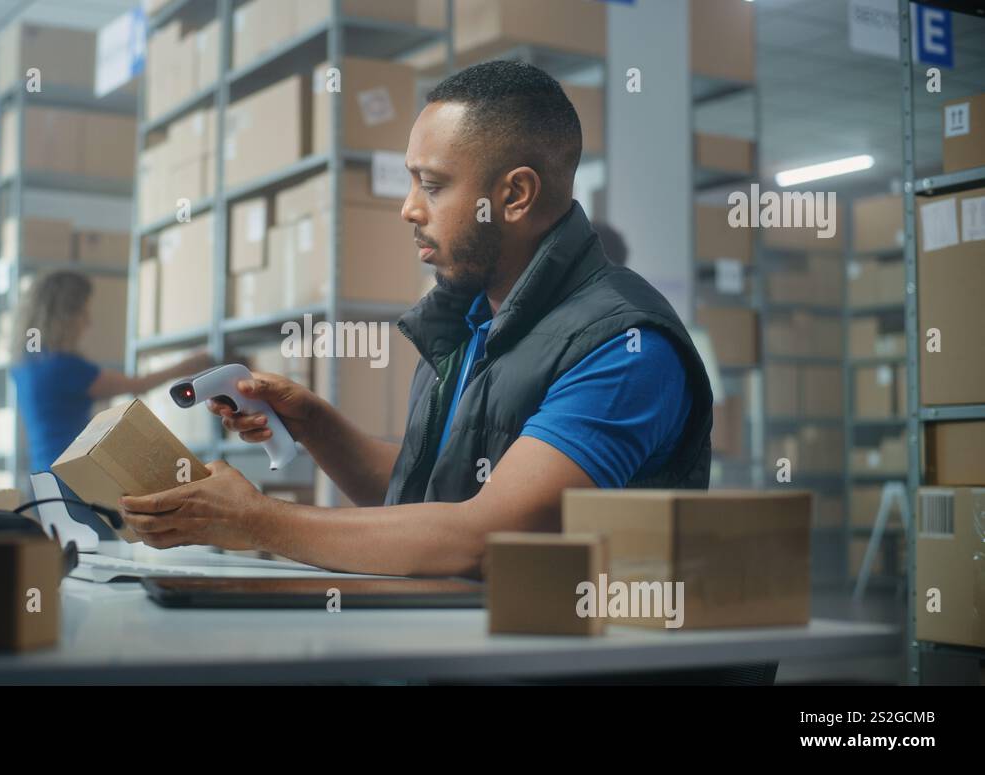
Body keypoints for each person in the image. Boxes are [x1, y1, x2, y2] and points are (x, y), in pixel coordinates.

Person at [118, 61, 713, 577]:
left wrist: (256, 521)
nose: (409, 208)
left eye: (432, 185)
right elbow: (422, 495)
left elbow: (484, 539)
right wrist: (315, 425)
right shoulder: (471, 322)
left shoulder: (626, 347)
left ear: (515, 195)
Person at [10, 270, 211, 473]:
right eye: (83, 313)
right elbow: (139, 385)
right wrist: (188, 365)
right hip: (73, 477)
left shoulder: (23, 367)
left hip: (42, 476)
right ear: (66, 317)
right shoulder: (66, 368)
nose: (87, 323)